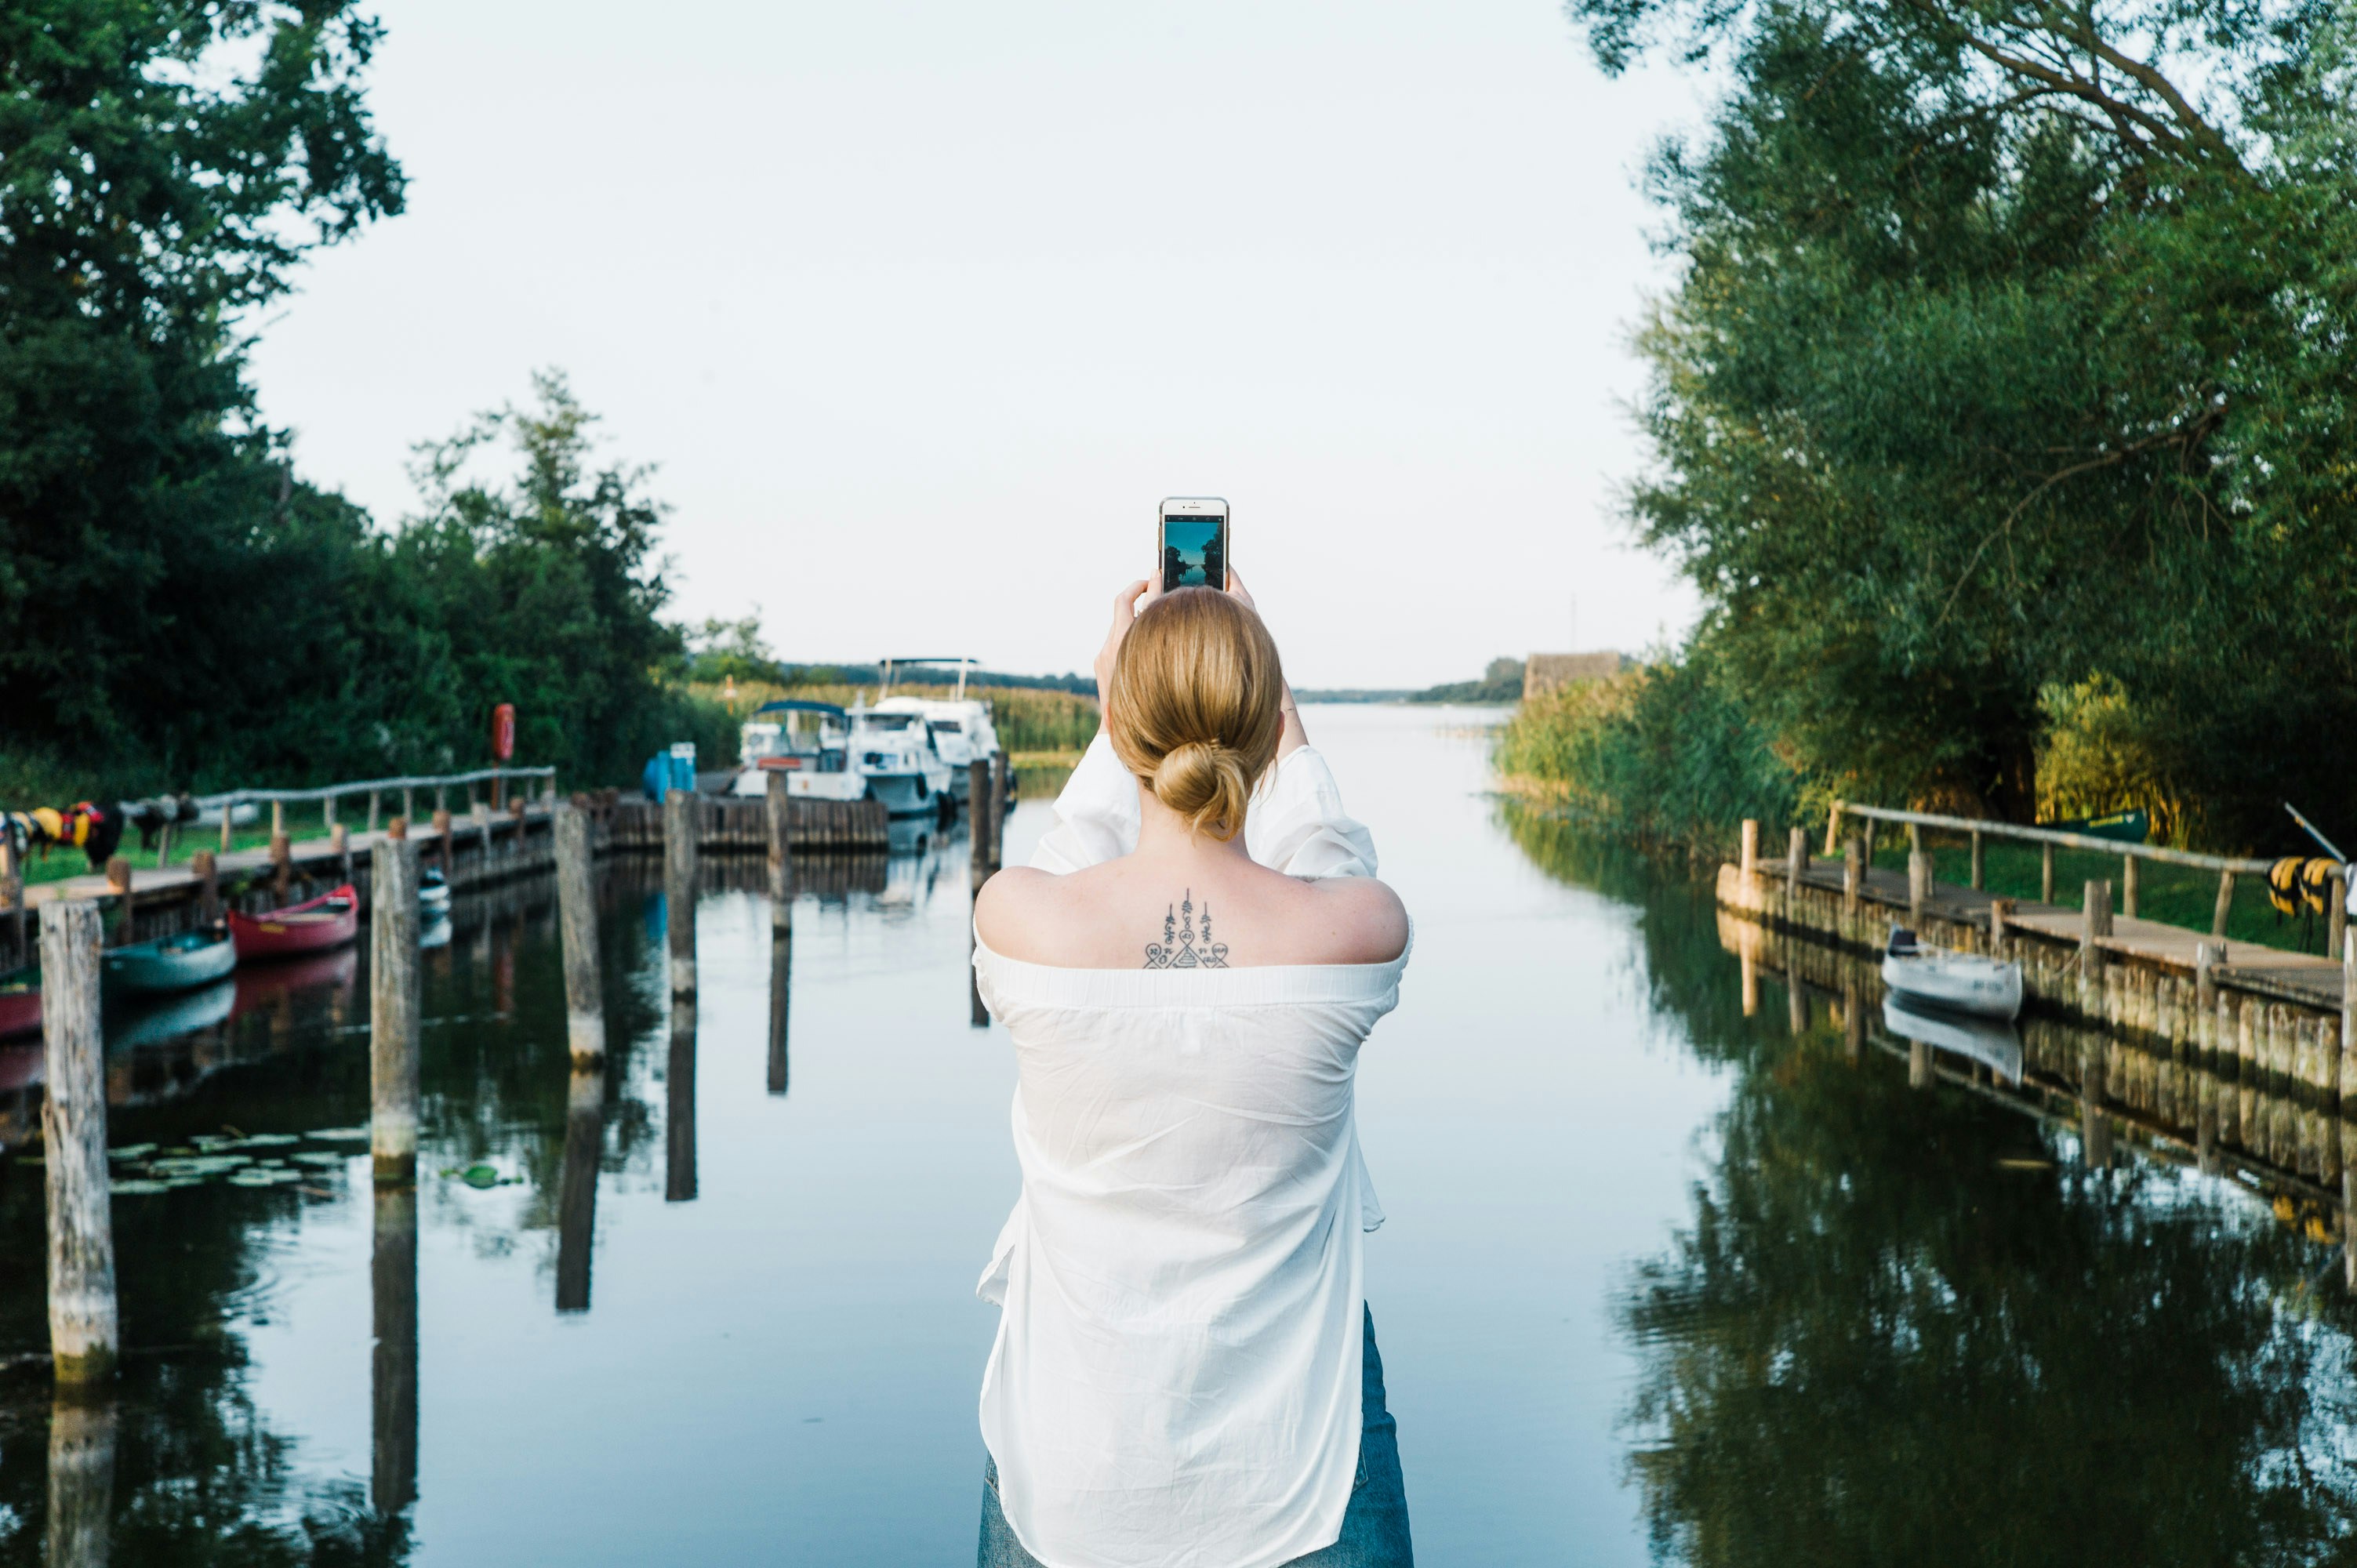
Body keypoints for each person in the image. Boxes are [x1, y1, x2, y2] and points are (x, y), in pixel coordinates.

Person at [971, 574, 1415, 1568]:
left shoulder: (1021, 923)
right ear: (1265, 727)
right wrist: (1286, 724)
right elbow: (1331, 860)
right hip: (1303, 1472)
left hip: (1069, 1479)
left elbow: (1064, 865)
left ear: (1122, 721)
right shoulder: (1356, 932)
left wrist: (1111, 720)